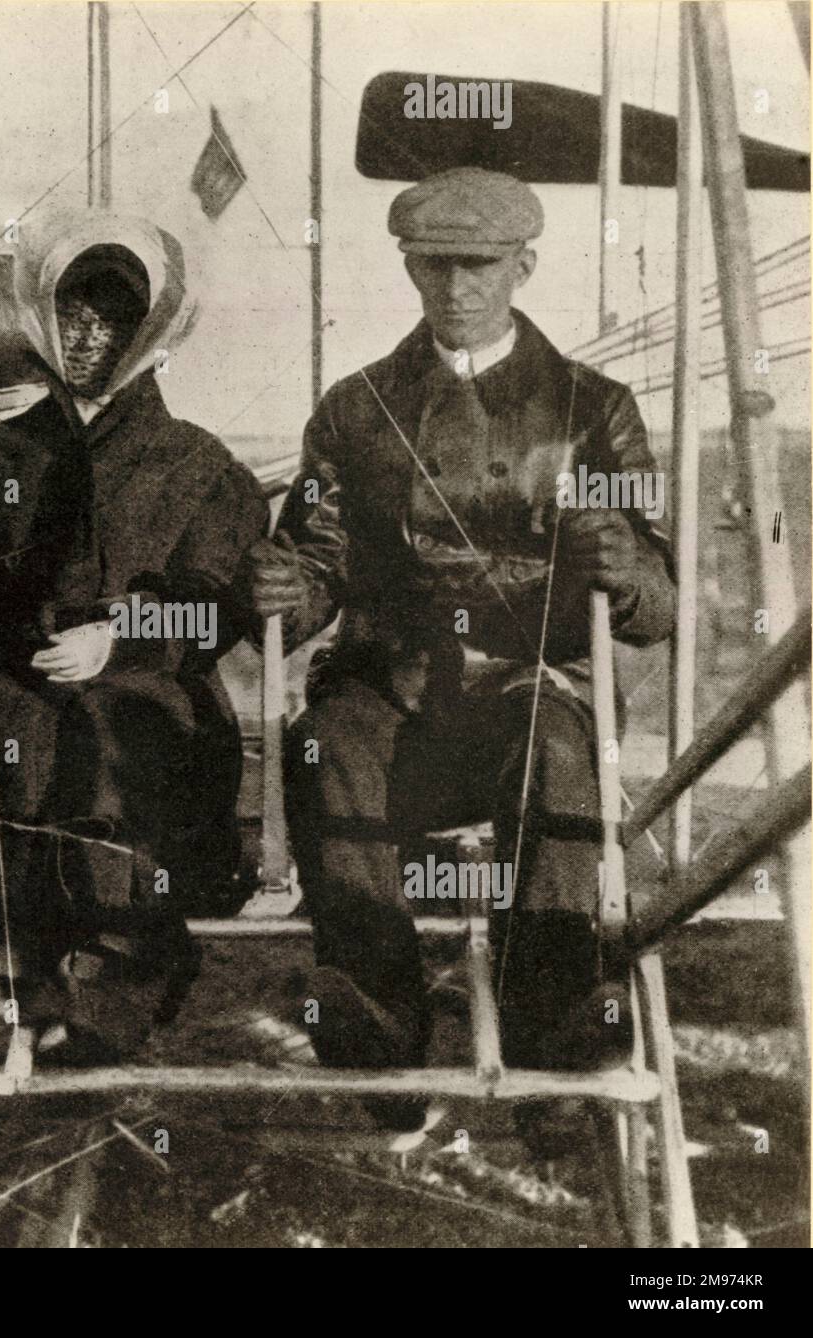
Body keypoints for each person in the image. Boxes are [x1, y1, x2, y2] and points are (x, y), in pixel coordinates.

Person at [246, 167, 675, 1133]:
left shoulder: (591, 410)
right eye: (433, 265)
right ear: (408, 269)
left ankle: (552, 1014)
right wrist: (292, 590)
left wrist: (627, 562)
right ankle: (376, 1008)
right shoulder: (357, 409)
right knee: (325, 744)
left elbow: (657, 607)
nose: (456, 287)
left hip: (534, 685)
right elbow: (321, 561)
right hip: (392, 690)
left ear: (523, 266)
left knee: (561, 750)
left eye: (478, 265)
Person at [0, 213, 267, 1061]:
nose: (87, 334)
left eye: (111, 316)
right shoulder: (0, 452)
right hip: (10, 676)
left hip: (149, 688)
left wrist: (122, 639)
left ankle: (93, 999)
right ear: (41, 316)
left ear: (149, 334)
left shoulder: (198, 466)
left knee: (111, 746)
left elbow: (221, 604)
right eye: (72, 310)